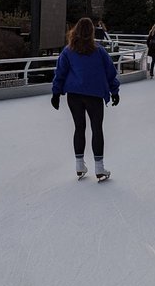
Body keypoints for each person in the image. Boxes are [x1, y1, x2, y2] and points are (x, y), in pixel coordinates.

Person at [51, 17, 121, 181]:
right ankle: (99, 167)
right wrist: (114, 91)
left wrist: (56, 93)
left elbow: (60, 72)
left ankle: (79, 164)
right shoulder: (99, 51)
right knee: (97, 128)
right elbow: (110, 72)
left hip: (74, 95)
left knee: (79, 127)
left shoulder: (68, 51)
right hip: (94, 94)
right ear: (91, 33)